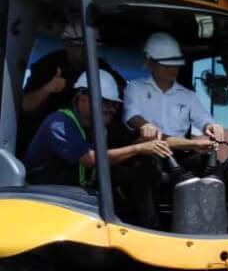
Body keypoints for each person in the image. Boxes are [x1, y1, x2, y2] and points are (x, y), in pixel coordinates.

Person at [24, 70, 171, 228]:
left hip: (76, 198)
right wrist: (138, 148)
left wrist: (144, 141)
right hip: (46, 200)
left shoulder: (100, 126)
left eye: (114, 105)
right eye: (105, 103)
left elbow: (127, 145)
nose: (112, 109)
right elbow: (90, 159)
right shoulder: (60, 123)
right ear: (83, 98)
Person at [124, 32, 225, 172]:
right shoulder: (135, 87)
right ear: (151, 62)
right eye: (167, 65)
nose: (173, 69)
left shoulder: (188, 96)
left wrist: (212, 126)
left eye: (175, 65)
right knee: (149, 166)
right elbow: (131, 116)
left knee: (210, 164)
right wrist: (144, 125)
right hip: (150, 151)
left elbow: (203, 118)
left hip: (181, 154)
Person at [18, 22, 120, 155]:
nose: (86, 51)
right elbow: (27, 106)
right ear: (67, 44)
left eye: (91, 46)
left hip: (85, 134)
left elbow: (121, 90)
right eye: (80, 46)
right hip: (45, 135)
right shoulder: (48, 65)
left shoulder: (100, 66)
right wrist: (49, 88)